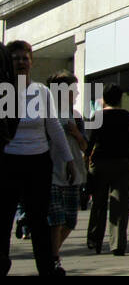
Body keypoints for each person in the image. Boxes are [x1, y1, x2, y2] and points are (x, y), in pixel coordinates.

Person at [1, 41, 72, 276]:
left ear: (31, 61)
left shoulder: (41, 91)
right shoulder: (3, 92)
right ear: (8, 63)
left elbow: (54, 128)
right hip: (9, 161)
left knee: (40, 221)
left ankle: (46, 268)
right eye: (15, 58)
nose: (21, 62)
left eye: (25, 58)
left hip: (38, 162)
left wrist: (69, 160)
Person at [86, 83, 129, 256]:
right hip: (121, 161)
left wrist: (87, 160)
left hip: (100, 162)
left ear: (104, 99)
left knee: (98, 203)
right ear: (120, 98)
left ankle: (94, 240)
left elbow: (90, 141)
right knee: (120, 204)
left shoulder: (97, 116)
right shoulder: (126, 116)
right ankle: (117, 244)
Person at [46, 71, 88, 272]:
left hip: (73, 175)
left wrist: (77, 134)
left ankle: (49, 253)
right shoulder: (46, 112)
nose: (77, 93)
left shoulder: (76, 117)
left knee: (70, 221)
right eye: (73, 90)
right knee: (56, 219)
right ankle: (53, 258)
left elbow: (85, 147)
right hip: (51, 172)